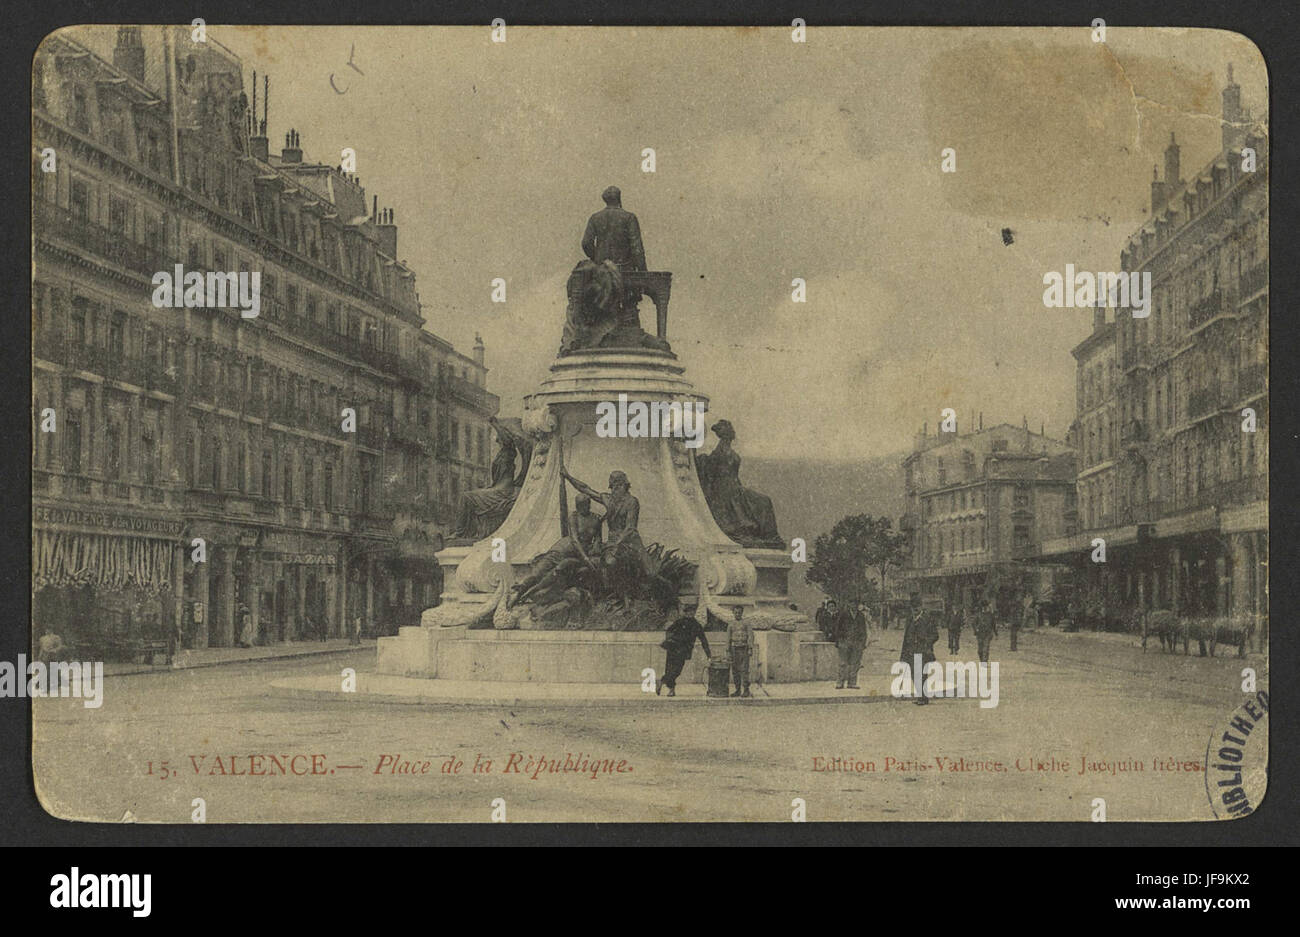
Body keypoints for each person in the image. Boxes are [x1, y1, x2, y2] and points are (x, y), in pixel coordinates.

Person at [562, 469, 649, 606]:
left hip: (630, 541)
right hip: (613, 542)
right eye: (612, 487)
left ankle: (630, 595)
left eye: (616, 486)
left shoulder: (632, 502)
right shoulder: (608, 500)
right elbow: (585, 489)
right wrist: (568, 477)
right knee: (609, 562)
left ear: (623, 486)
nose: (614, 490)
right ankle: (622, 596)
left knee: (649, 571)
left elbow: (630, 528)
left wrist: (617, 545)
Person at [509, 495, 605, 607]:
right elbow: (575, 540)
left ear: (589, 504)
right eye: (579, 505)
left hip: (575, 554)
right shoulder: (573, 517)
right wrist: (586, 558)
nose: (582, 507)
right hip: (561, 550)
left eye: (585, 504)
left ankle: (528, 594)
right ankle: (518, 593)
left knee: (550, 577)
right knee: (537, 573)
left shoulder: (596, 519)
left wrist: (595, 548)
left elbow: (598, 538)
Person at [582, 186, 647, 273]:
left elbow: (586, 243)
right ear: (619, 198)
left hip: (601, 272)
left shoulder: (595, 218)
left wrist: (597, 259)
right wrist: (643, 271)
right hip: (624, 271)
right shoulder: (629, 217)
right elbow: (637, 248)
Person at [657, 599, 712, 697]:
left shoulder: (696, 625)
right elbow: (669, 630)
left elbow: (704, 640)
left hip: (683, 650)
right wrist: (668, 640)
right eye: (688, 612)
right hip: (673, 647)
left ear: (694, 613)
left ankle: (661, 681)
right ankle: (671, 690)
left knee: (677, 670)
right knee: (670, 669)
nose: (690, 614)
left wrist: (708, 654)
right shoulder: (679, 622)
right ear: (685, 613)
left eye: (691, 612)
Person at [900, 599, 940, 704]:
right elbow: (906, 637)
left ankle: (923, 698)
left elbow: (935, 635)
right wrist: (904, 653)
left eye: (917, 607)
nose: (915, 610)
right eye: (913, 608)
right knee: (914, 674)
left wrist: (926, 641)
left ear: (921, 607)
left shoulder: (927, 619)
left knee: (922, 674)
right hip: (911, 651)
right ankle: (920, 696)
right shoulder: (910, 619)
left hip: (923, 651)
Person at [831, 600, 866, 689]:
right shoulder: (843, 614)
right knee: (843, 663)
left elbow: (863, 630)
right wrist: (838, 640)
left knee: (855, 663)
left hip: (856, 642)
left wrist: (863, 642)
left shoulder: (861, 615)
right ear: (849, 604)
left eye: (856, 604)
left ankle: (852, 683)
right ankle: (840, 682)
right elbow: (838, 628)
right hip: (844, 641)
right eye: (852, 603)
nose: (854, 605)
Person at [727, 606, 754, 698]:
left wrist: (750, 648)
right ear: (733, 613)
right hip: (734, 649)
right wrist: (728, 651)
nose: (737, 614)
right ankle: (737, 690)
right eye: (736, 612)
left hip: (744, 649)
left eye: (739, 612)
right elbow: (728, 639)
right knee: (735, 670)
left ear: (742, 613)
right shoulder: (730, 624)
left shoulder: (746, 623)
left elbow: (750, 636)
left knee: (744, 670)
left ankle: (746, 690)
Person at [973, 599, 997, 663]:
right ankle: (982, 661)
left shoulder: (990, 615)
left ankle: (984, 663)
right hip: (980, 634)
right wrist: (976, 630)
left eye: (986, 607)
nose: (985, 608)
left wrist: (996, 633)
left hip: (988, 634)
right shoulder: (978, 615)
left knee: (985, 649)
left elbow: (993, 624)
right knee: (980, 650)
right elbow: (974, 623)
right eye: (984, 607)